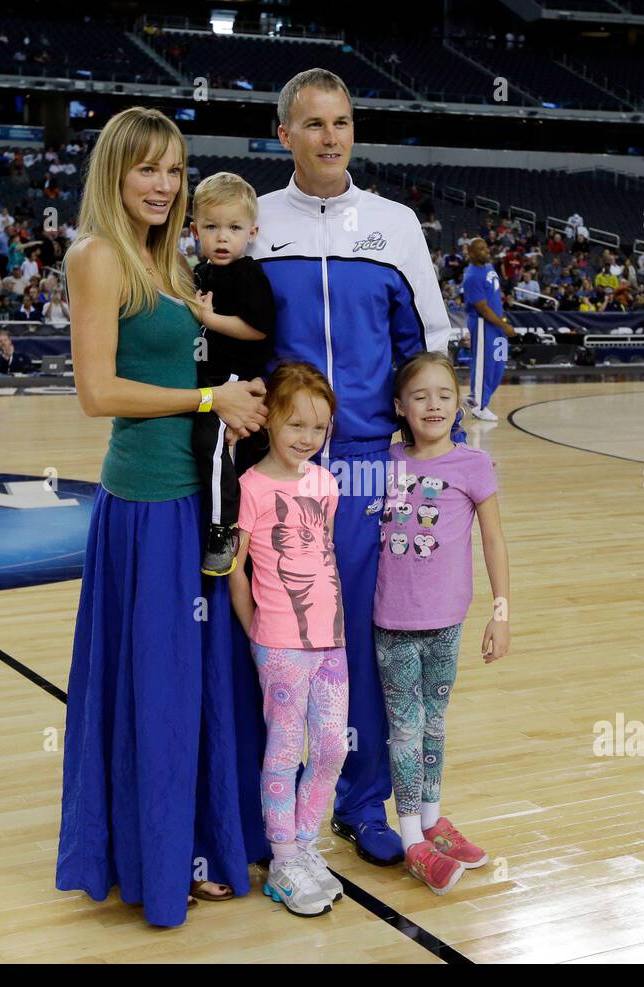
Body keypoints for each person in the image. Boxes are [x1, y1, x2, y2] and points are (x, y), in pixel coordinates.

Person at [56, 106, 268, 928]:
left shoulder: (173, 262)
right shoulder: (98, 256)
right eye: (148, 168)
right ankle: (152, 856)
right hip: (143, 509)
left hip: (197, 502)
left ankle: (198, 843)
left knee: (198, 686)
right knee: (158, 691)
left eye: (175, 170)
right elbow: (96, 392)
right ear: (115, 172)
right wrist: (210, 396)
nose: (164, 184)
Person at [248, 68, 453, 867]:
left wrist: (427, 461)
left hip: (371, 474)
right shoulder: (255, 225)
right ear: (284, 135)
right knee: (277, 642)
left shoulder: (397, 225)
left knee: (368, 642)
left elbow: (425, 351)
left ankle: (361, 802)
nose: (331, 137)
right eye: (314, 124)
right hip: (280, 473)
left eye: (342, 122)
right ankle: (271, 803)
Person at [375, 352, 510, 893]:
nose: (434, 405)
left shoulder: (473, 465)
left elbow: (495, 540)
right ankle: (410, 837)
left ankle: (433, 817)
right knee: (405, 727)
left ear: (460, 404)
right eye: (421, 395)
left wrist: (502, 612)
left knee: (435, 722)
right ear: (399, 406)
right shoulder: (382, 462)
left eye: (445, 395)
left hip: (447, 621)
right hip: (392, 621)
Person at [229, 361, 348, 917]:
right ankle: (282, 860)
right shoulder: (249, 487)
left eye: (319, 429)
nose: (307, 438)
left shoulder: (326, 483)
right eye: (296, 424)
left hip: (332, 641)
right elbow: (235, 566)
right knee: (284, 750)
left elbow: (322, 555)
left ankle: (305, 845)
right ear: (270, 420)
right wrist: (255, 624)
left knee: (330, 748)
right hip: (279, 643)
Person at [190, 171, 276, 576]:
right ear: (195, 231)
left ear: (252, 232)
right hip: (207, 381)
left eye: (234, 228)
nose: (222, 237)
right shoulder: (200, 272)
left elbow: (258, 327)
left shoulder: (248, 274)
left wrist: (209, 317)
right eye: (212, 227)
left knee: (212, 442)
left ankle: (222, 527)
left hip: (237, 380)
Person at [462, 237, 515, 422]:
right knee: (485, 364)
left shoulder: (489, 267)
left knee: (498, 363)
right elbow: (482, 308)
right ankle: (478, 405)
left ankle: (476, 397)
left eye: (487, 248)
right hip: (484, 323)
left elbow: (493, 293)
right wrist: (504, 325)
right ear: (472, 253)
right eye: (482, 249)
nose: (487, 252)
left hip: (496, 322)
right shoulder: (472, 276)